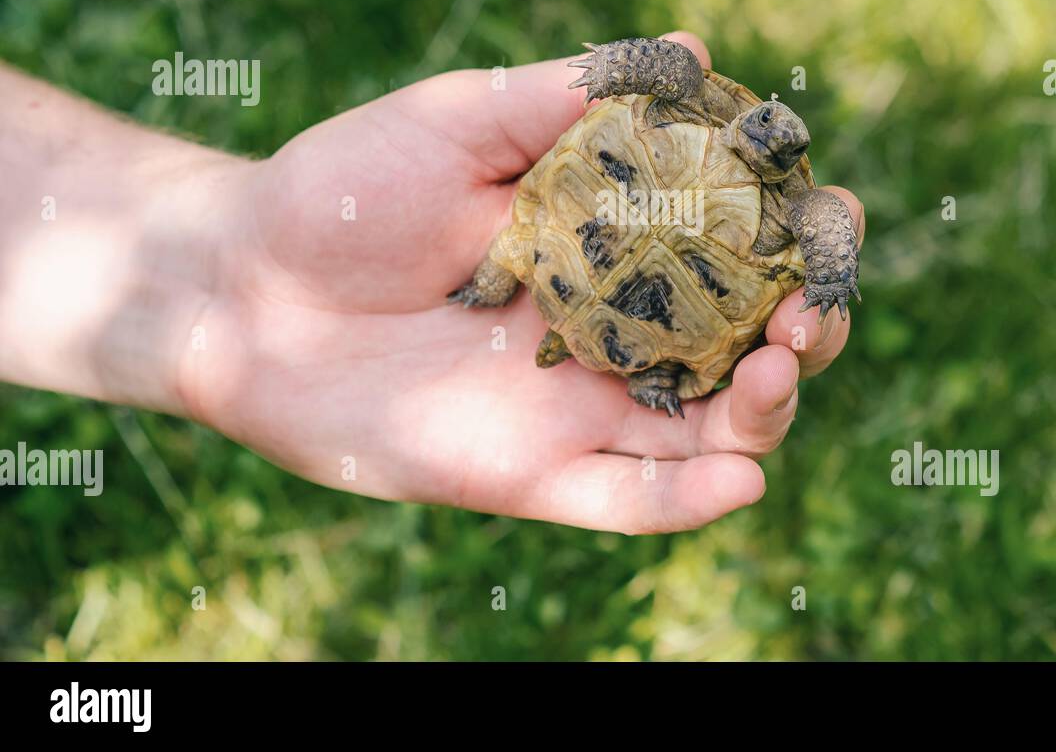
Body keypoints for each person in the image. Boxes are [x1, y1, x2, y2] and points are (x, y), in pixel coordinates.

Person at [0, 32, 863, 533]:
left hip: (564, 251)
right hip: (599, 273)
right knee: (550, 247)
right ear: (746, 114)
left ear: (782, 157)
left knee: (530, 245)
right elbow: (657, 70)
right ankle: (645, 369)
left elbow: (824, 231)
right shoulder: (691, 97)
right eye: (766, 118)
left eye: (776, 136)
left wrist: (832, 273)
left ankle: (640, 365)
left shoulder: (786, 197)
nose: (767, 130)